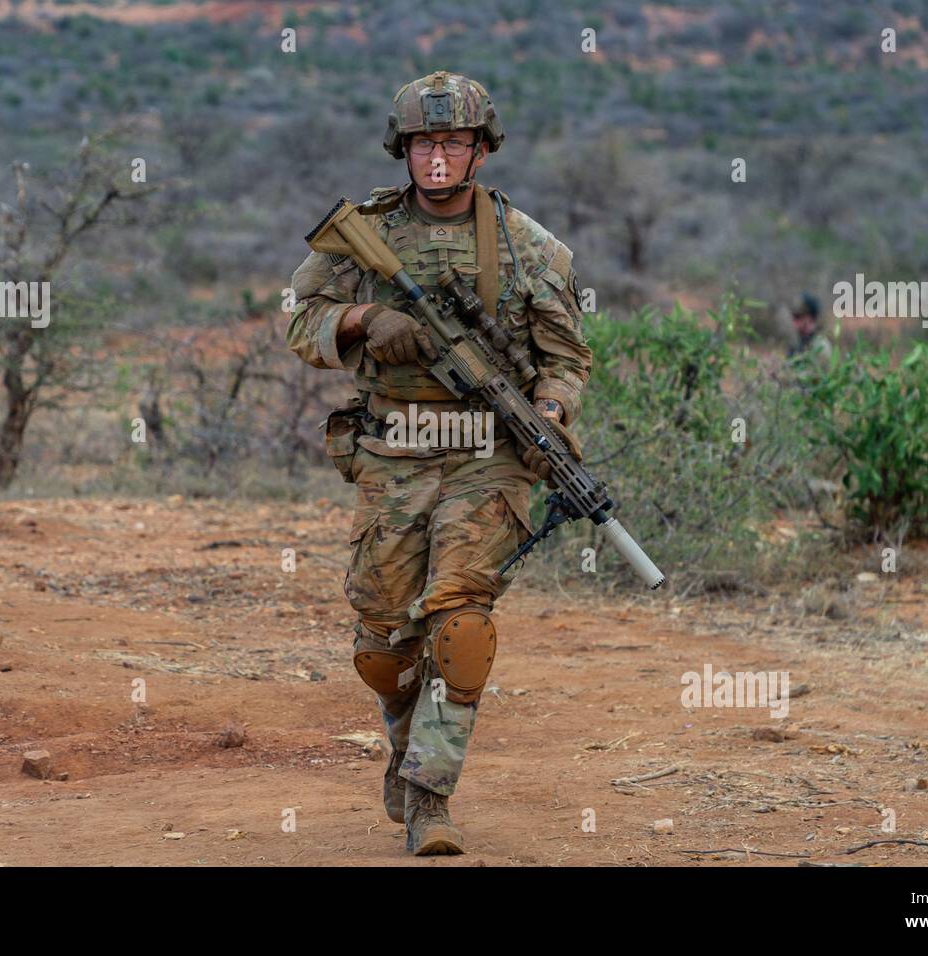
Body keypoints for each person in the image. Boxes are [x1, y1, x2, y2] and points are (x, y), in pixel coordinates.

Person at [285, 71, 591, 855]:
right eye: (425, 141)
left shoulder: (529, 246)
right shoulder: (367, 233)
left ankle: (429, 797)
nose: (439, 156)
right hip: (393, 453)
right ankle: (404, 737)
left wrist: (550, 415)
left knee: (458, 622)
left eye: (454, 141)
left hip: (491, 456)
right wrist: (364, 318)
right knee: (382, 643)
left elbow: (566, 359)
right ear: (405, 149)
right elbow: (299, 322)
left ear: (481, 150)